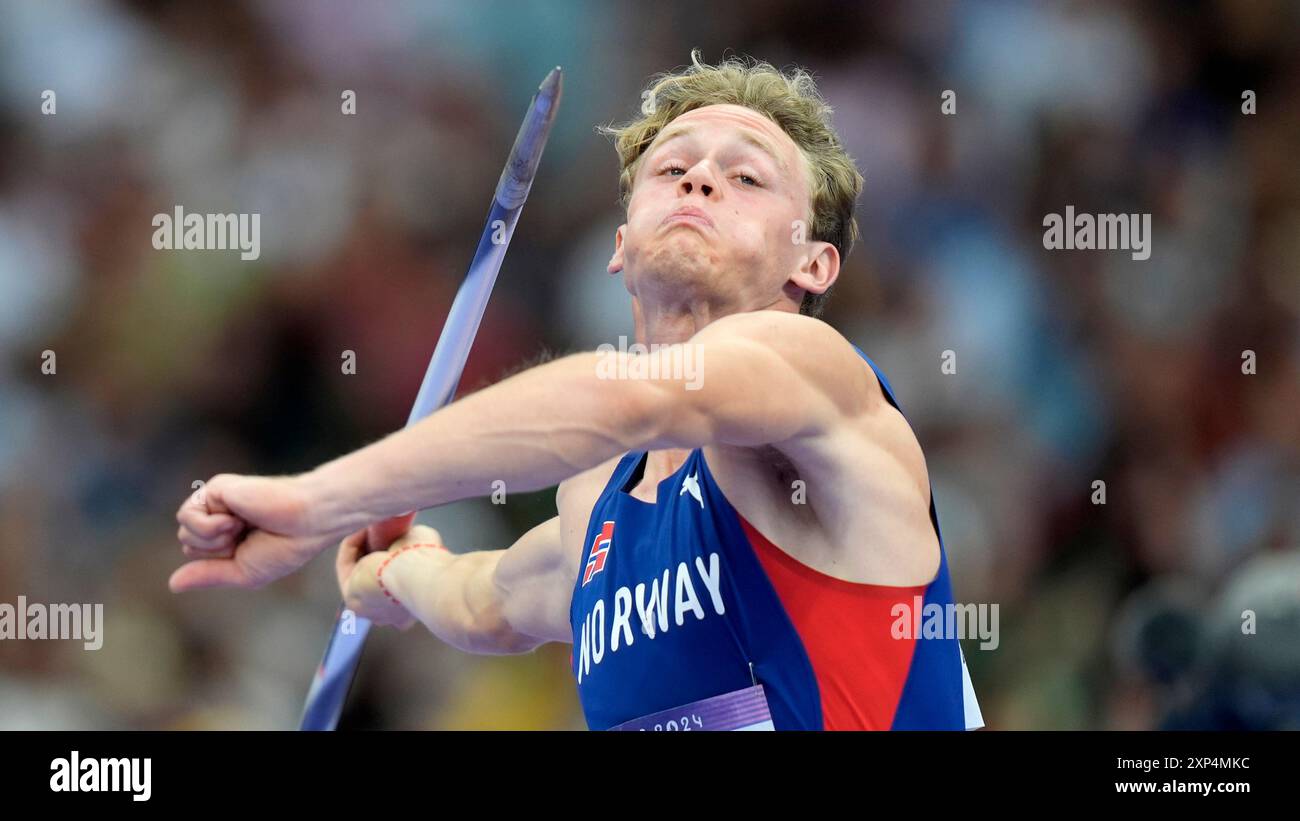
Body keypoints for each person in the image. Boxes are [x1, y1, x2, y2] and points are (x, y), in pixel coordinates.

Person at [173, 50, 982, 731]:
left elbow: (622, 398)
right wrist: (391, 575)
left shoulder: (815, 377)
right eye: (674, 166)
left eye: (746, 177)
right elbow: (490, 600)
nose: (700, 177)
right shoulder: (594, 510)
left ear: (812, 263)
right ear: (620, 246)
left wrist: (321, 498)